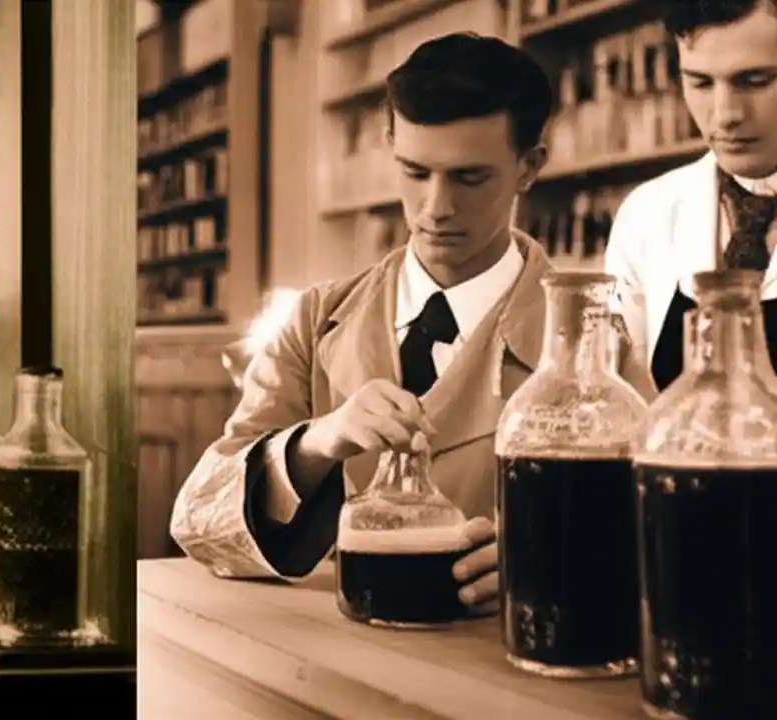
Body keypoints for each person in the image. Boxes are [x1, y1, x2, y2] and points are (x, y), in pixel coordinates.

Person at [168, 33, 656, 600]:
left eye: (469, 178)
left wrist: (555, 561)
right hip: (327, 643)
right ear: (390, 147)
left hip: (494, 646)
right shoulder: (314, 320)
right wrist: (316, 443)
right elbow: (200, 524)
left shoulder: (594, 341)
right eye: (415, 172)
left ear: (529, 167)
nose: (437, 207)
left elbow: (658, 535)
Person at [606, 0, 777, 390]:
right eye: (700, 83)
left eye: (755, 81)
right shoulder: (647, 214)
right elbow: (622, 397)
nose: (725, 114)